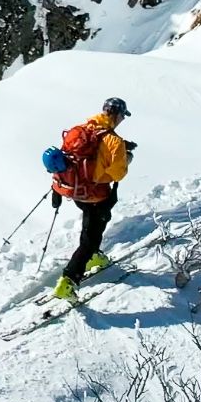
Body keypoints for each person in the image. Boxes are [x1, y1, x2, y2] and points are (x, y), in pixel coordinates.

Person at [51, 97, 134, 303]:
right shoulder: (113, 141)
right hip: (96, 195)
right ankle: (68, 281)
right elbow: (118, 173)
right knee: (91, 237)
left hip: (76, 191)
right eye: (123, 116)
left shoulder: (82, 129)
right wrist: (126, 157)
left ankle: (94, 256)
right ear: (117, 115)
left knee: (92, 226)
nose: (122, 120)